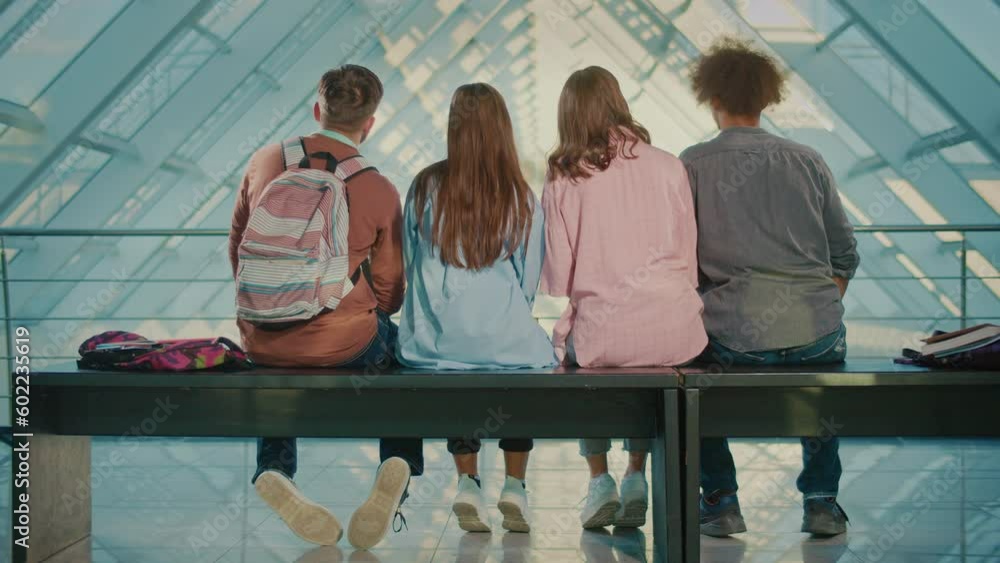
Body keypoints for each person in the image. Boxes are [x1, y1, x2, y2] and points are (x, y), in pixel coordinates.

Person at [228, 65, 421, 550]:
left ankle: (275, 468)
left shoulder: (266, 160)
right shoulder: (378, 188)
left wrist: (272, 305)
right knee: (401, 355)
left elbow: (237, 249)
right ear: (370, 123)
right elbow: (392, 289)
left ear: (318, 110)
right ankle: (396, 464)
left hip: (264, 341)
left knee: (276, 368)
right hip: (346, 345)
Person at [681, 38, 860, 538]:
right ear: (766, 99)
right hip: (817, 333)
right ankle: (822, 502)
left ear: (711, 97)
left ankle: (720, 501)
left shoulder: (692, 165)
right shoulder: (808, 159)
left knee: (694, 370)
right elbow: (844, 253)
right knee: (819, 386)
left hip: (733, 337)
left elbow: (679, 260)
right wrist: (815, 309)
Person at [540, 66, 707, 529]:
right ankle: (637, 474)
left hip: (605, 334)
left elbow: (558, 275)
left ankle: (600, 481)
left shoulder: (565, 175)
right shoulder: (669, 164)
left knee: (576, 362)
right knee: (647, 371)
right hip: (676, 331)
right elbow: (687, 254)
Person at [397, 83, 558, 534]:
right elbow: (528, 283)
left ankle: (468, 482)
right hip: (506, 339)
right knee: (519, 377)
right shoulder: (519, 196)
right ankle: (515, 487)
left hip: (436, 345)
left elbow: (411, 262)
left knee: (458, 375)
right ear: (501, 130)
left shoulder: (426, 186)